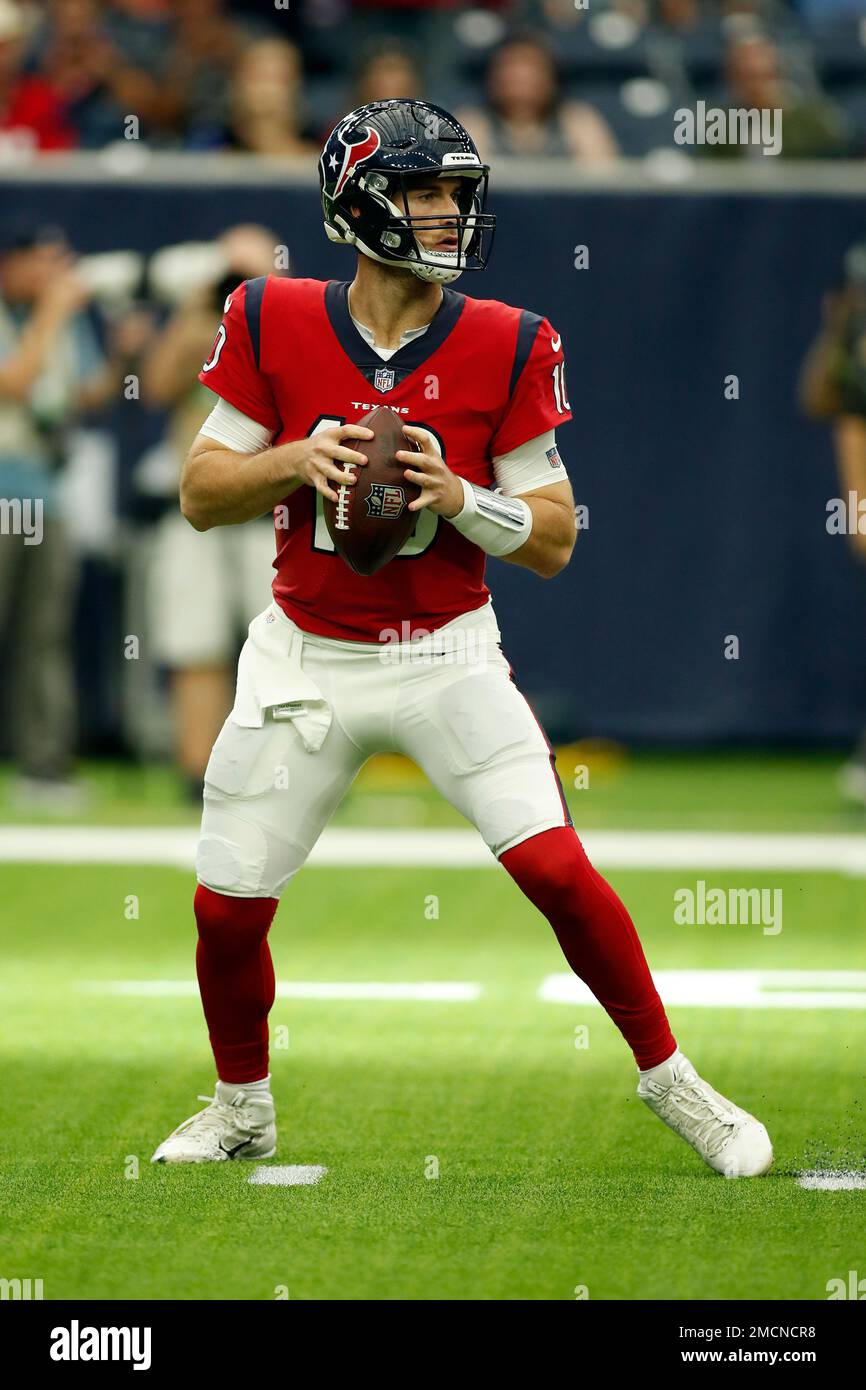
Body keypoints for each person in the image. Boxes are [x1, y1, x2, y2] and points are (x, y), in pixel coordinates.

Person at [151, 98, 772, 1179]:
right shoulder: (269, 316)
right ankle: (241, 1103)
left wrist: (457, 497)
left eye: (457, 193)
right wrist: (296, 459)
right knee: (224, 908)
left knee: (557, 870)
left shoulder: (509, 337)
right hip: (304, 652)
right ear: (358, 205)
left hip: (446, 651)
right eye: (427, 191)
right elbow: (200, 491)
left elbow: (554, 539)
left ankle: (674, 1081)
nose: (448, 214)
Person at [140, 225, 285, 796]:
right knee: (194, 642)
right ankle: (196, 772)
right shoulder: (196, 324)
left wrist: (263, 304)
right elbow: (153, 387)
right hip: (197, 513)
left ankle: (285, 770)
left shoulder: (288, 325)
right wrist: (196, 313)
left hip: (268, 513)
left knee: (283, 648)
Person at [0, 220, 115, 805]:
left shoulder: (61, 321)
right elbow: (15, 383)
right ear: (11, 265)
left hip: (47, 495)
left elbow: (90, 392)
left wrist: (121, 343)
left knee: (42, 635)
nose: (56, 276)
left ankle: (42, 766)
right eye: (44, 262)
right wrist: (52, 311)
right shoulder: (36, 315)